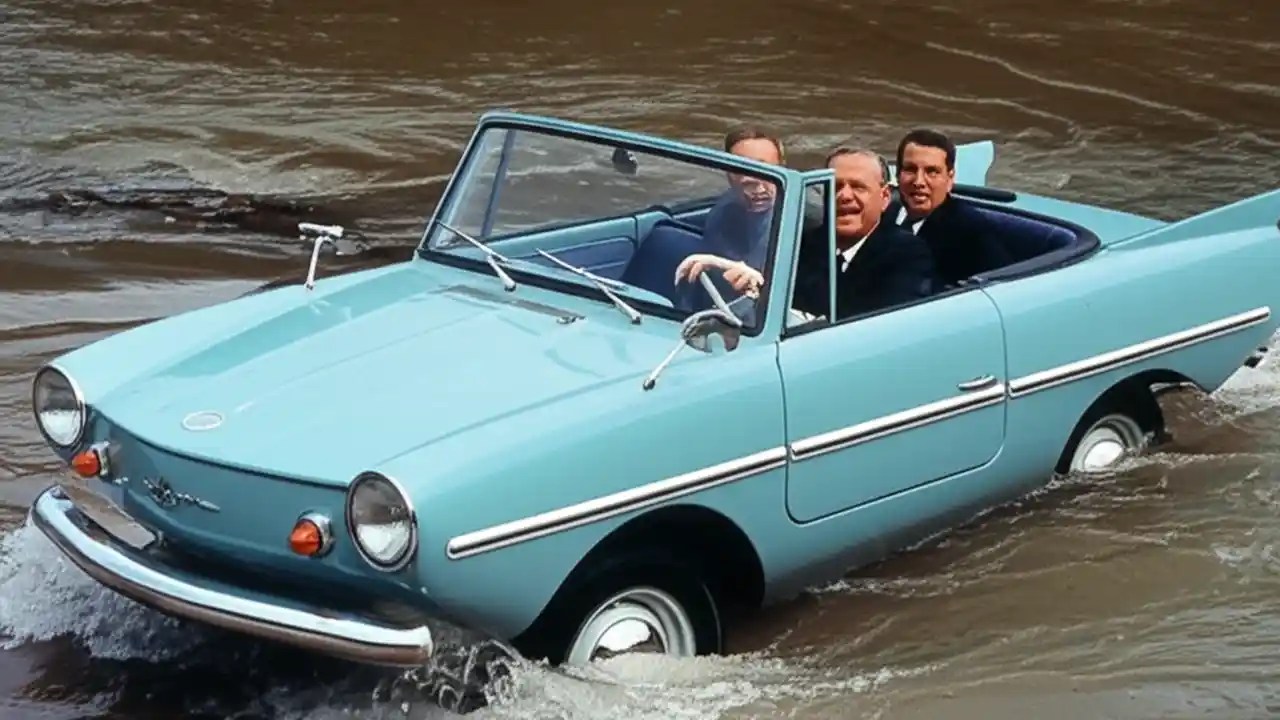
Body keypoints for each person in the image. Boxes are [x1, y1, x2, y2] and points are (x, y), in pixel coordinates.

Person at [715, 147, 935, 321]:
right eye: (836, 186)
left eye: (858, 187)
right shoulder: (803, 243)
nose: (844, 196)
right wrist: (755, 287)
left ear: (885, 197)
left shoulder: (908, 254)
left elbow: (879, 327)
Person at [890, 128, 1015, 288]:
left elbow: (1005, 287)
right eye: (910, 169)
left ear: (949, 179)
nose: (919, 181)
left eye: (932, 171)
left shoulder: (971, 231)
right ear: (898, 175)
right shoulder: (882, 214)